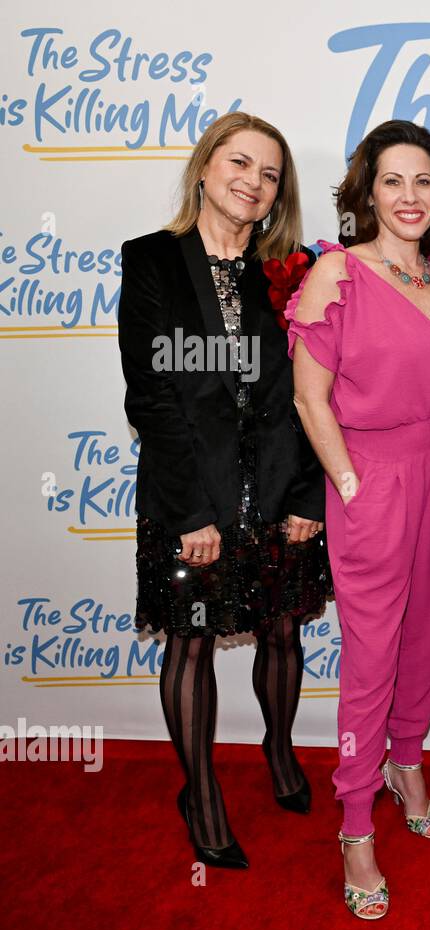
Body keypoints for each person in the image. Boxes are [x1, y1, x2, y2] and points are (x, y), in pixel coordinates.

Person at [119, 111, 331, 870]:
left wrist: (310, 494)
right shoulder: (150, 262)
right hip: (193, 494)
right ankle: (201, 790)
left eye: (270, 173)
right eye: (239, 163)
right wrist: (191, 513)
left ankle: (279, 750)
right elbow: (150, 398)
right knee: (194, 638)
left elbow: (319, 391)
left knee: (282, 631)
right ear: (205, 169)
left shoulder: (296, 268)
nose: (253, 181)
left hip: (280, 489)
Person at [289, 120, 430, 919]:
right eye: (393, 181)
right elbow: (307, 397)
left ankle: (409, 764)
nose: (410, 196)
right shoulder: (337, 274)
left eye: (423, 180)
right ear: (367, 192)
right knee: (370, 662)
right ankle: (355, 823)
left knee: (425, 636)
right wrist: (351, 483)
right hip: (373, 479)